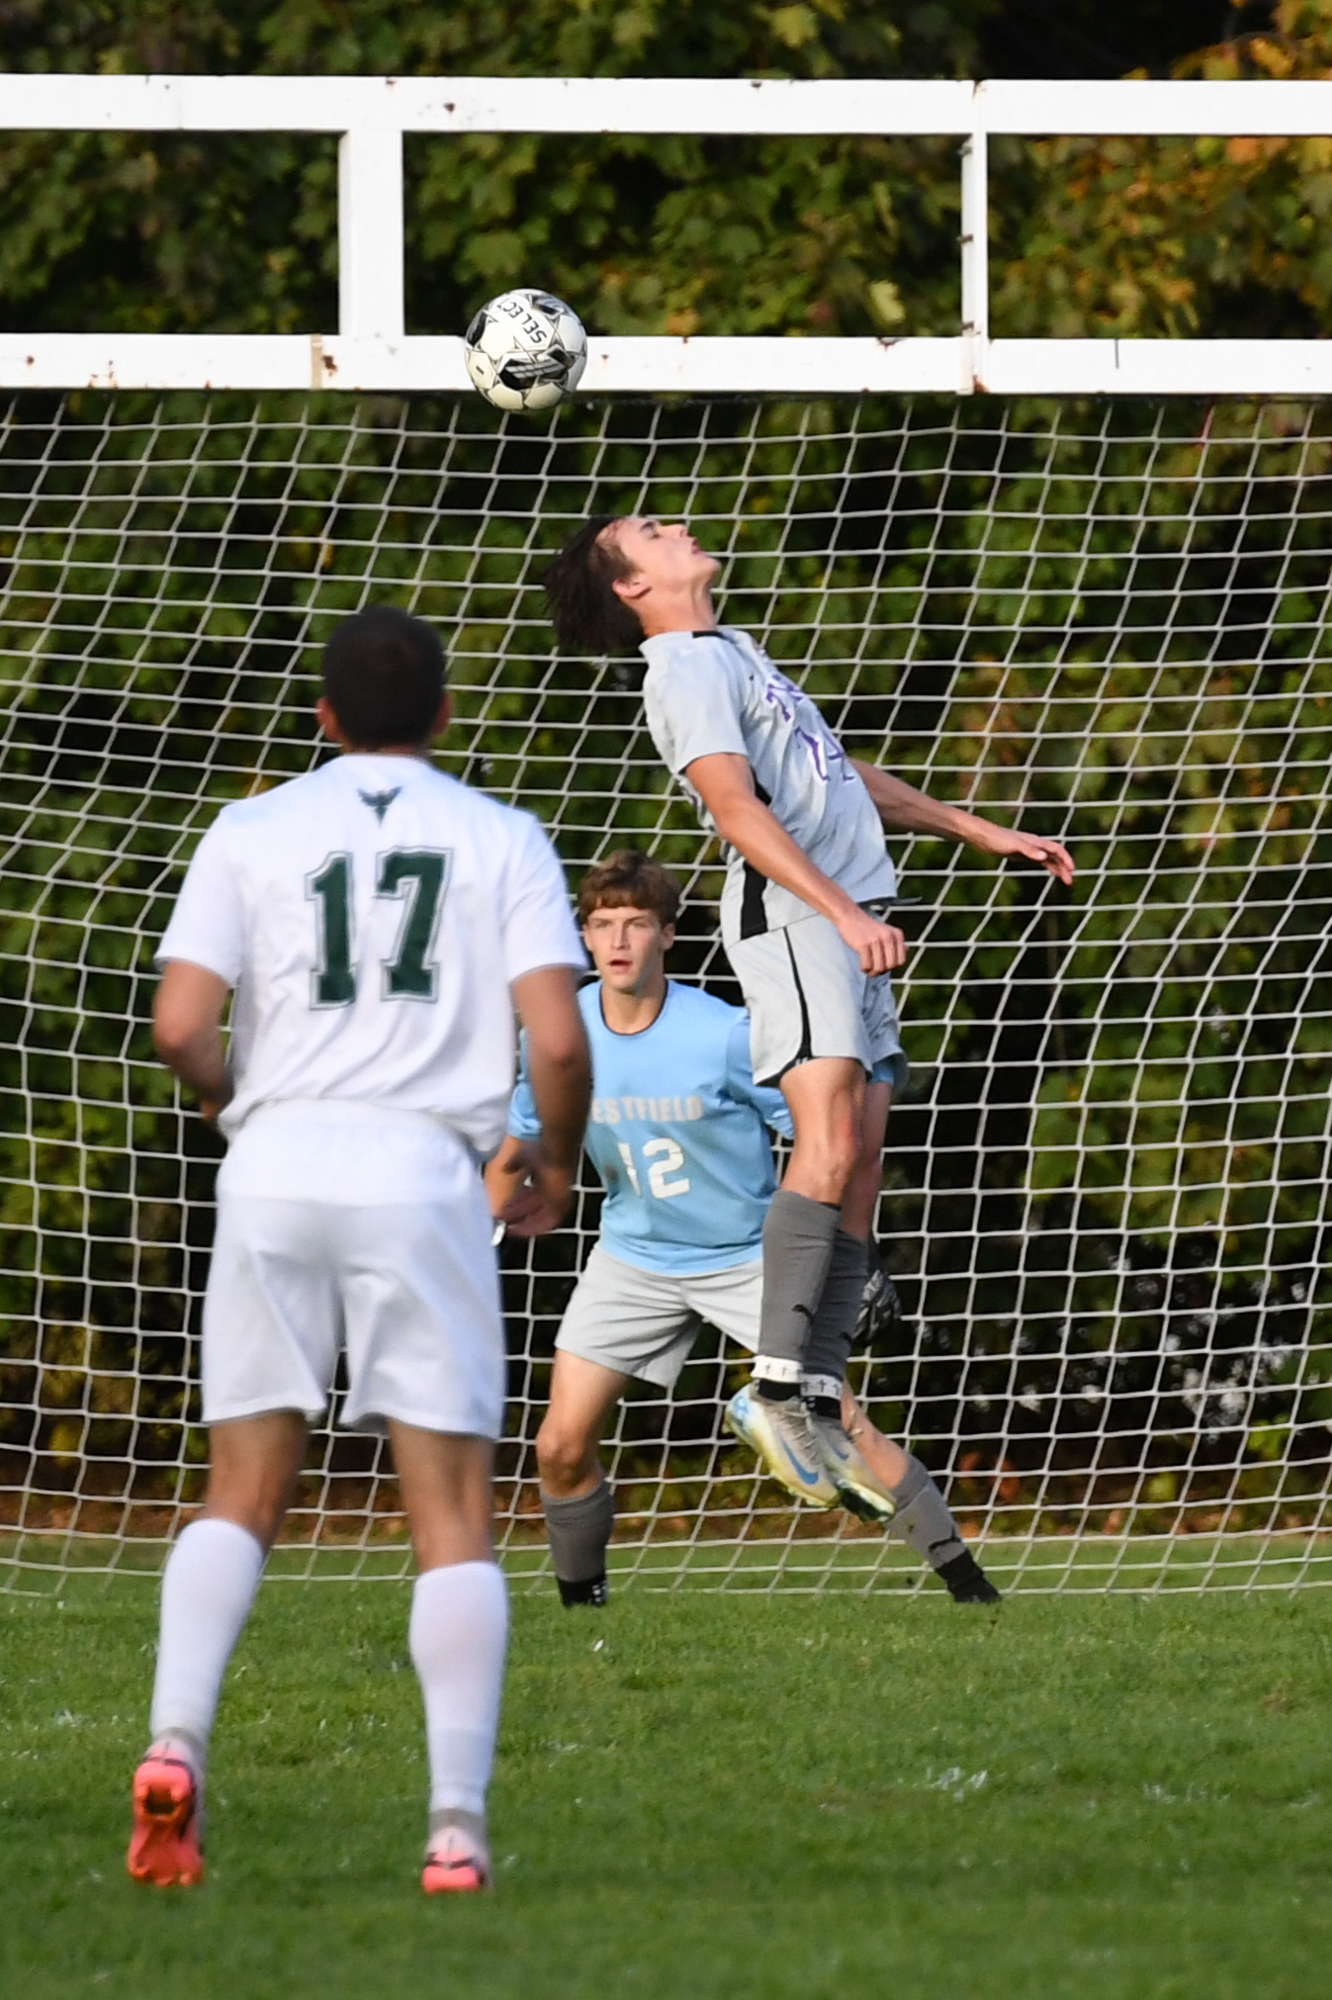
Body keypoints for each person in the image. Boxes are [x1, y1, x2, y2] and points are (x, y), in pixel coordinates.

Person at [127, 606, 590, 1896]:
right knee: (450, 1514)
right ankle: (453, 1828)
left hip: (276, 1165)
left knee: (240, 1488)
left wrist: (237, 1099)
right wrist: (553, 1158)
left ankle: (175, 1742)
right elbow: (558, 1041)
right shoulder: (501, 835)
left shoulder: (250, 827)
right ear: (444, 714)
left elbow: (179, 1023)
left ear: (323, 717)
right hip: (421, 1171)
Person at [544, 519, 1074, 1519]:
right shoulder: (681, 669)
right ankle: (777, 1386)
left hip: (845, 913)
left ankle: (813, 1384)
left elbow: (836, 774)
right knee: (825, 1144)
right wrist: (840, 912)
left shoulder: (733, 650)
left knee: (861, 1153)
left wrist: (977, 830)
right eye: (652, 531)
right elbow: (735, 809)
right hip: (797, 918)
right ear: (632, 587)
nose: (677, 526)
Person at [486, 848, 997, 1607]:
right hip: (633, 1258)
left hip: (746, 1260)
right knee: (559, 1446)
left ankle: (971, 1589)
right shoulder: (559, 1035)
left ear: (668, 935)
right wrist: (479, 1227)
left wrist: (850, 1251)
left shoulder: (726, 1034)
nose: (618, 939)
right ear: (583, 937)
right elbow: (522, 1136)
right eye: (602, 924)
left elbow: (827, 1140)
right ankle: (579, 1612)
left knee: (839, 1422)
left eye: (637, 923)